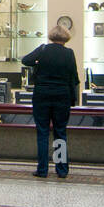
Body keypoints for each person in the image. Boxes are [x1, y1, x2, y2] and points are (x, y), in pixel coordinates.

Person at [21, 25, 79, 179]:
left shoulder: (43, 49)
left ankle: (42, 169)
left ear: (51, 36)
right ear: (66, 37)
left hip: (42, 95)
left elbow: (25, 60)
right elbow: (74, 77)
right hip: (62, 96)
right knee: (60, 132)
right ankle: (61, 169)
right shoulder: (69, 53)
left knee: (42, 132)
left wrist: (38, 62)